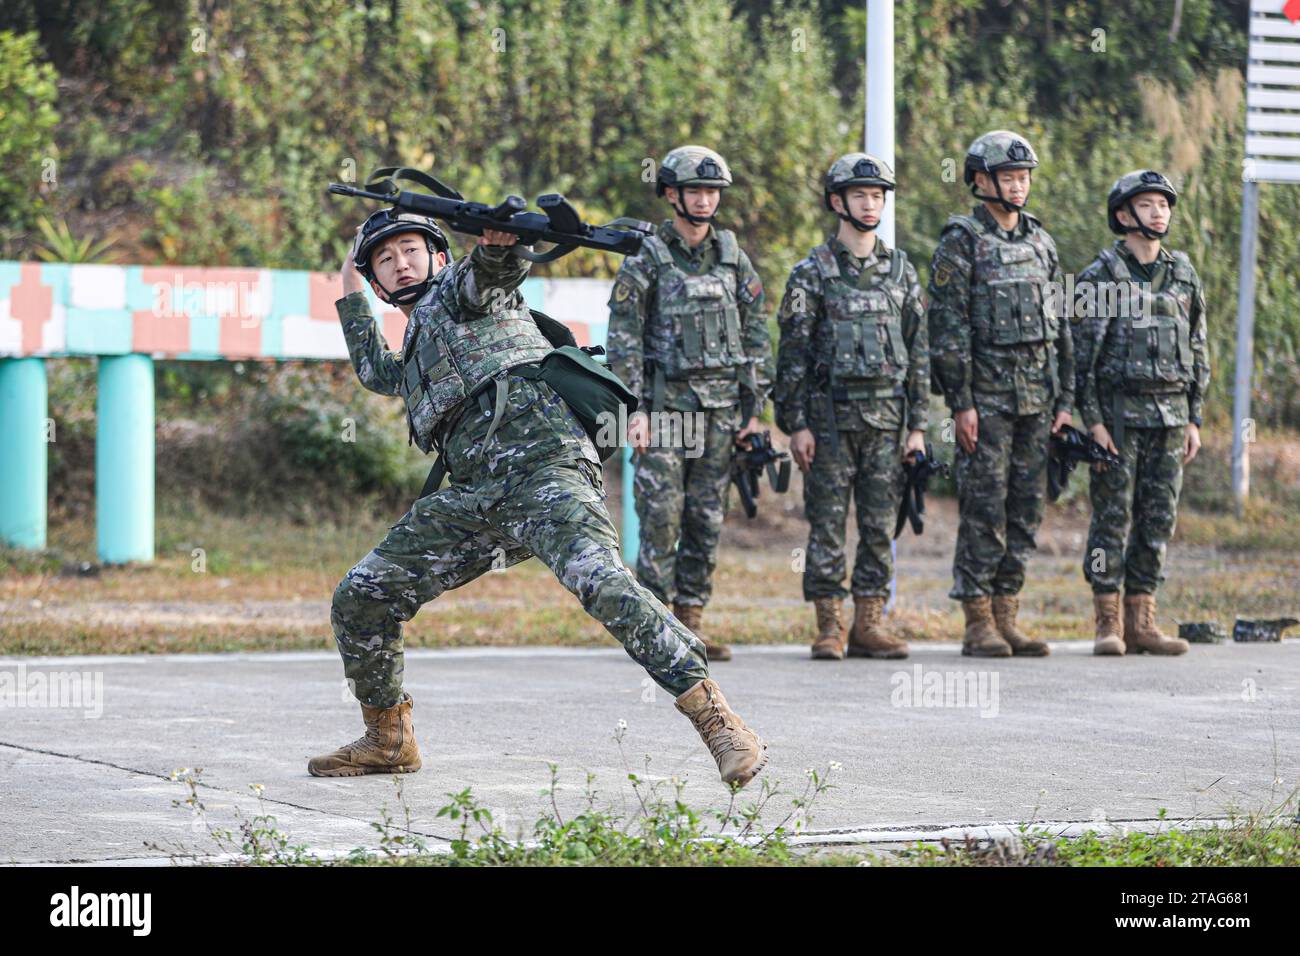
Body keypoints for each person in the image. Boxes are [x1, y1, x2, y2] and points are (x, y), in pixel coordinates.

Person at [307, 205, 768, 788]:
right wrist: (350, 283)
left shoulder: (460, 292)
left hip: (546, 470)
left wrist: (498, 244)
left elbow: (492, 274)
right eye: (385, 260)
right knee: (363, 595)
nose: (400, 265)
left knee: (601, 582)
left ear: (439, 256)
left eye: (410, 251)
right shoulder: (418, 343)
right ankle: (388, 738)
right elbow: (375, 369)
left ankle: (719, 722)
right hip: (476, 495)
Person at [606, 145, 774, 661]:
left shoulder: (731, 256)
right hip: (665, 414)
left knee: (706, 519)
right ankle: (655, 630)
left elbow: (755, 332)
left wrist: (753, 410)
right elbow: (624, 338)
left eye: (711, 191)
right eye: (694, 191)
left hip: (722, 413)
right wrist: (632, 411)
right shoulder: (648, 257)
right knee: (661, 518)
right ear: (673, 195)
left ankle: (691, 621)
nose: (704, 200)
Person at [773, 153, 929, 660]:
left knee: (881, 526)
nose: (870, 203)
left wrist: (919, 427)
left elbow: (918, 350)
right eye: (860, 195)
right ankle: (829, 625)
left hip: (887, 423)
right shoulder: (810, 273)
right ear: (837, 201)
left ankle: (869, 624)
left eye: (878, 195)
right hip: (829, 422)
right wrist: (795, 424)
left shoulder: (902, 270)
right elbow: (792, 354)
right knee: (827, 526)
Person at [926, 130, 1074, 657]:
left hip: (1037, 400)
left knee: (1027, 508)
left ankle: (1008, 611)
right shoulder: (961, 241)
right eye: (1009, 177)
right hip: (985, 401)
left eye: (1024, 177)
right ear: (982, 181)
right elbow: (947, 329)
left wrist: (1065, 400)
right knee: (984, 508)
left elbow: (1060, 326)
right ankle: (977, 621)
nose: (1019, 186)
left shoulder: (1040, 240)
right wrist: (961, 402)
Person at [1072, 169, 1209, 655]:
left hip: (1171, 420)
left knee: (1157, 519)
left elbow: (1198, 347)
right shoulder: (1100, 276)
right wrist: (1093, 423)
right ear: (1124, 215)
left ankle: (1143, 620)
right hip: (1119, 420)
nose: (1159, 213)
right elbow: (1080, 361)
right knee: (1111, 519)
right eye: (1148, 205)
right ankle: (1107, 621)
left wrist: (1194, 418)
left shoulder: (1183, 273)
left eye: (1164, 205)